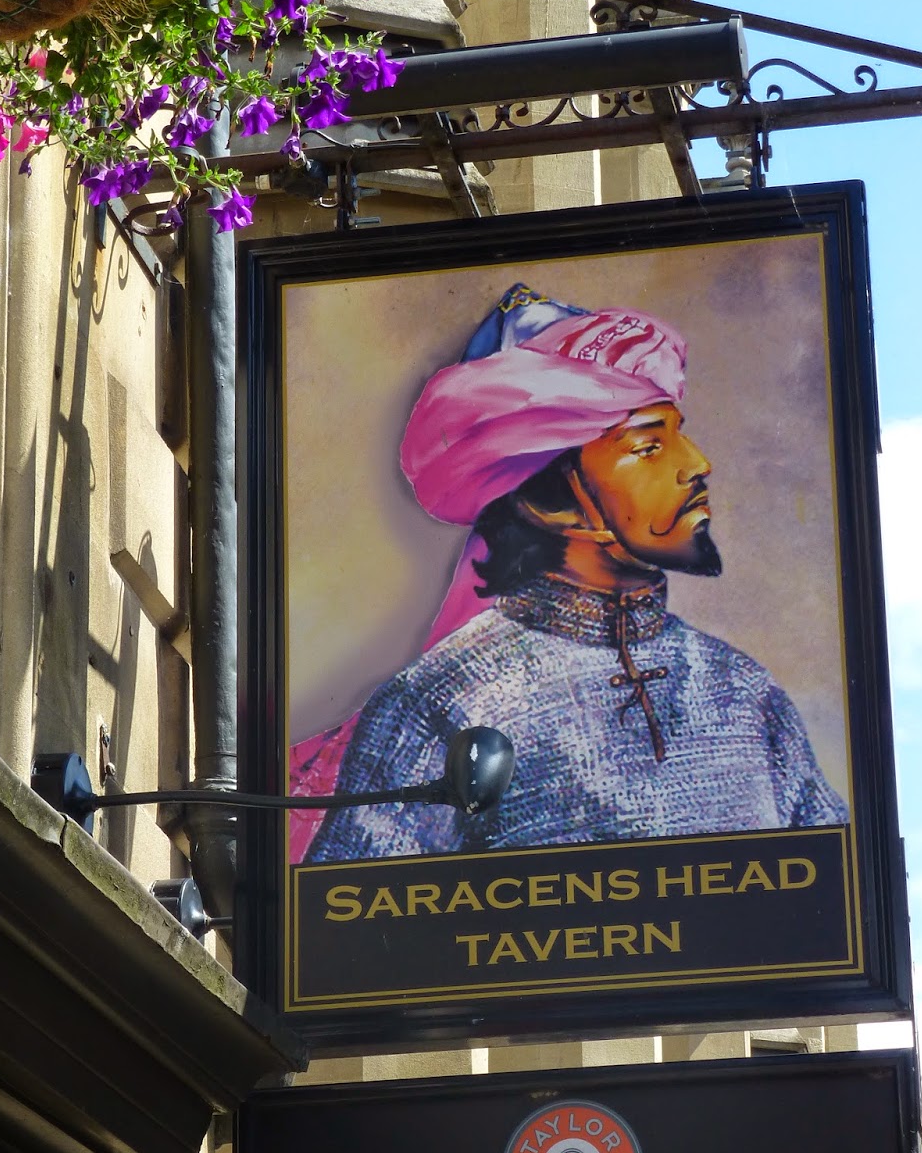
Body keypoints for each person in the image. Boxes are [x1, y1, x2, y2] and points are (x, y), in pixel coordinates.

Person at [304, 283, 847, 864]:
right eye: (647, 446)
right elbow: (353, 931)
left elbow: (834, 904)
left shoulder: (747, 694)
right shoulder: (439, 702)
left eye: (678, 434)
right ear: (552, 498)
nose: (696, 463)